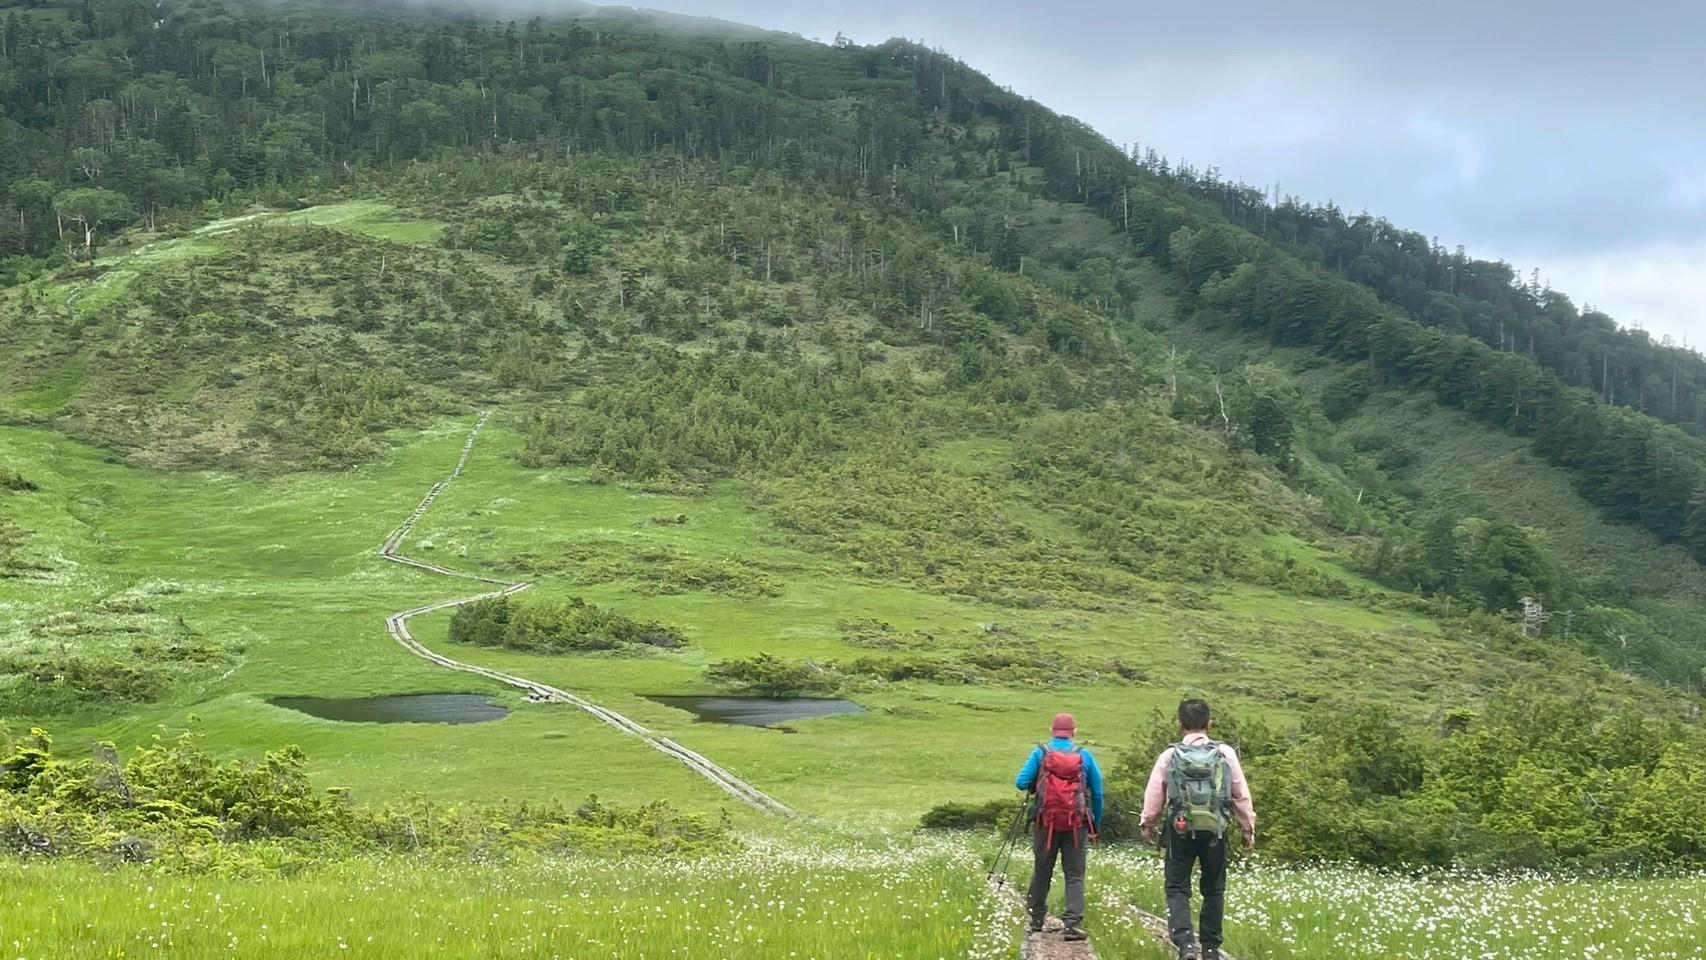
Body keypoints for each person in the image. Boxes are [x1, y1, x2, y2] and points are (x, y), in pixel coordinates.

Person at [1139, 698, 1256, 960]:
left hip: (1179, 828)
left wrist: (1148, 823)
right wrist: (1248, 828)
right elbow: (1241, 794)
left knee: (1177, 887)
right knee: (1214, 888)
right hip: (1216, 829)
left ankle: (1185, 944)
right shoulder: (1225, 753)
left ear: (1180, 724)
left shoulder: (1170, 754)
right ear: (1209, 724)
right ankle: (1211, 948)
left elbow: (1155, 794)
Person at [1014, 712, 1104, 941]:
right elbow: (1098, 790)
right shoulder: (1084, 755)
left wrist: (1039, 781)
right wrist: (1095, 822)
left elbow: (1021, 782)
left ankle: (1035, 921)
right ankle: (1072, 925)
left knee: (1042, 870)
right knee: (1074, 874)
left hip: (1046, 822)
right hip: (1076, 824)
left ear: (1052, 730)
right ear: (1073, 732)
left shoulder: (1041, 753)